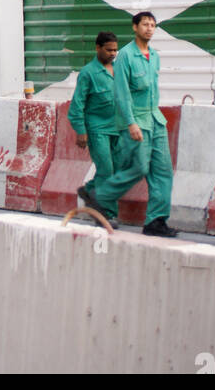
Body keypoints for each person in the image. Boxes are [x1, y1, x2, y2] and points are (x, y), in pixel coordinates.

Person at [83, 12, 176, 237]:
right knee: (139, 168)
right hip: (136, 121)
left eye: (153, 25)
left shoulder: (154, 56)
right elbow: (121, 93)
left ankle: (156, 221)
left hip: (155, 120)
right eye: (145, 24)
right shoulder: (124, 55)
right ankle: (99, 195)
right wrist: (130, 123)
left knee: (163, 171)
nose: (149, 28)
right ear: (135, 27)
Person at [69, 31, 119, 211]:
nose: (112, 53)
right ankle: (107, 213)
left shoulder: (118, 69)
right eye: (108, 50)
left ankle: (89, 189)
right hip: (97, 129)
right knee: (106, 171)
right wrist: (81, 131)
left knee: (118, 170)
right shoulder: (88, 73)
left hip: (117, 128)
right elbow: (77, 104)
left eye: (115, 50)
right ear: (98, 48)